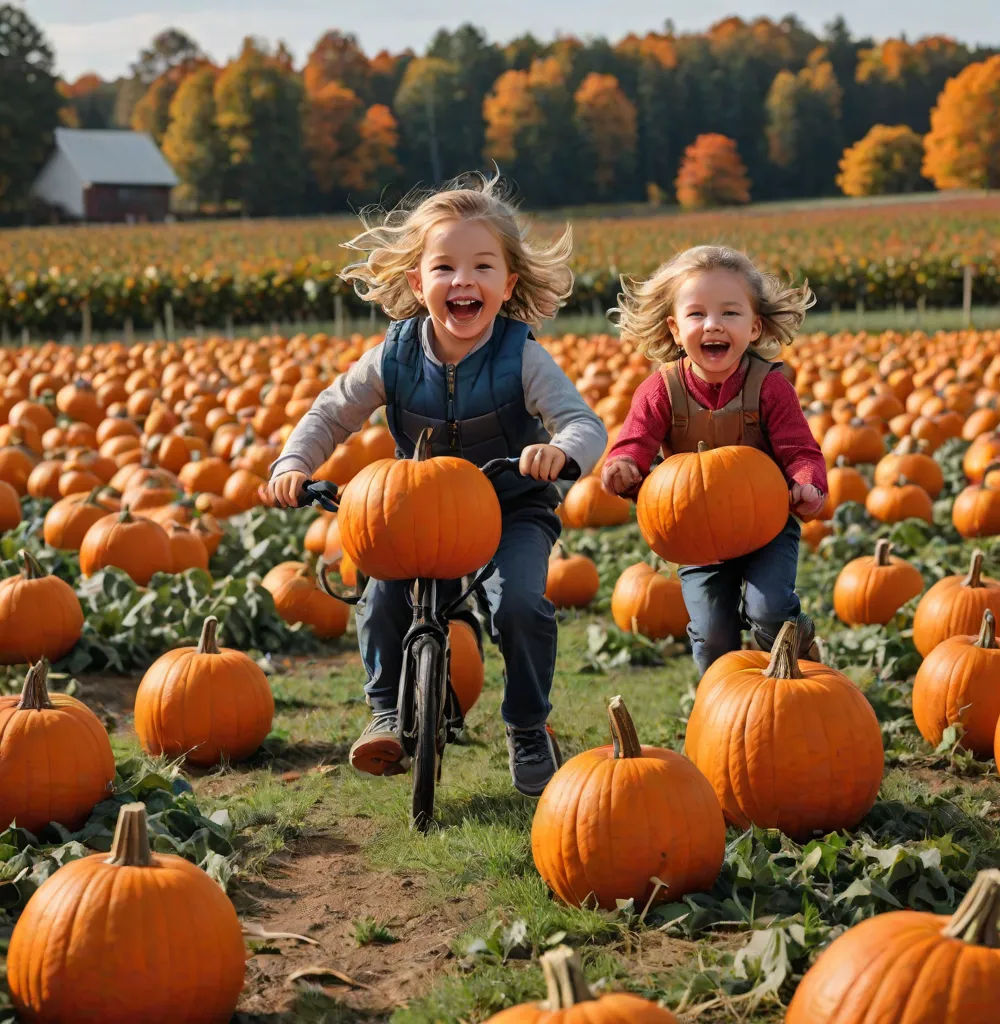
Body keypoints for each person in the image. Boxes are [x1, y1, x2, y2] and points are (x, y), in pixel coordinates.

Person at [259, 173, 607, 796]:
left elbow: (582, 423)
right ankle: (386, 709)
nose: (463, 281)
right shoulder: (391, 356)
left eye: (482, 266)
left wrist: (557, 453)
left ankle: (527, 726)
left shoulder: (521, 354)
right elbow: (331, 413)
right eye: (444, 267)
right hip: (416, 511)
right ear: (418, 283)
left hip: (509, 508)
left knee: (521, 605)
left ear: (508, 284)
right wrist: (292, 464)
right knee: (381, 595)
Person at [600, 245, 826, 676]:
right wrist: (624, 466)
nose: (713, 325)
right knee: (712, 633)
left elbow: (800, 449)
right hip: (696, 535)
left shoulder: (771, 387)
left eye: (729, 314)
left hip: (767, 526)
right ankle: (719, 706)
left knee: (769, 610)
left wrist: (807, 482)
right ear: (674, 326)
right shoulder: (659, 390)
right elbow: (635, 441)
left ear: (755, 326)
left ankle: (801, 661)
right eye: (697, 314)